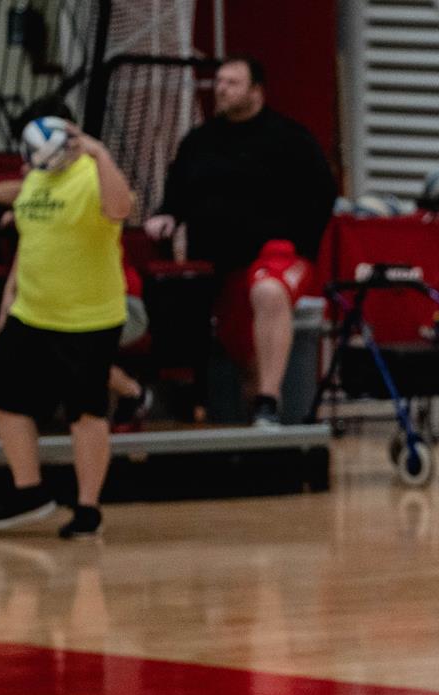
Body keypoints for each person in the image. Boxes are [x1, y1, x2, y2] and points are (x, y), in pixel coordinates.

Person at [146, 55, 336, 427]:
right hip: (219, 266)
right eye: (219, 81)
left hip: (277, 255)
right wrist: (166, 215)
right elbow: (176, 195)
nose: (221, 89)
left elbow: (322, 194)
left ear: (256, 91)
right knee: (241, 354)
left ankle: (269, 399)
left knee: (268, 291)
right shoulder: (199, 142)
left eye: (232, 83)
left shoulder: (291, 139)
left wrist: (300, 244)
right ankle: (253, 416)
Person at [0, 118, 136, 538]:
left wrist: (99, 152)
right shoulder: (36, 177)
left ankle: (87, 509)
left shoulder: (92, 173)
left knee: (85, 411)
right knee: (0, 391)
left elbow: (121, 208)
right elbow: (31, 226)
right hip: (33, 312)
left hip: (88, 318)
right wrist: (10, 296)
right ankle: (29, 491)